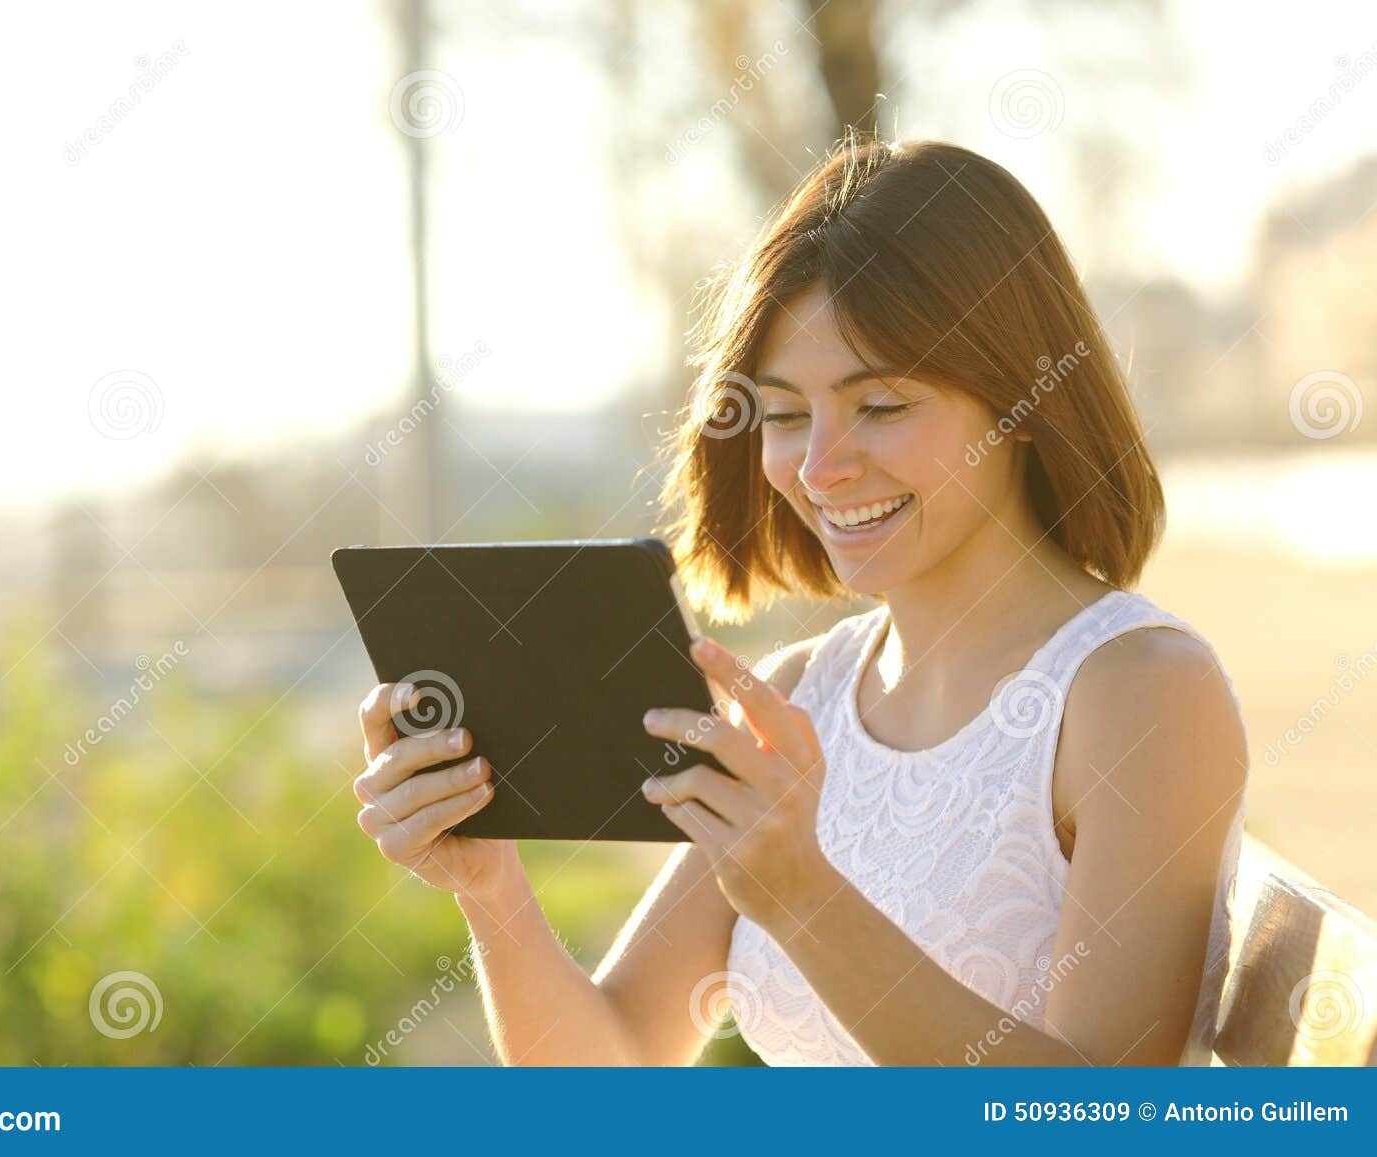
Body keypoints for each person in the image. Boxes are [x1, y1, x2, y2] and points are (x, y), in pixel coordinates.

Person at [352, 135, 1249, 1066]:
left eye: (883, 405)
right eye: (784, 415)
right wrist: (489, 882)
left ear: (1022, 402)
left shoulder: (1142, 693)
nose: (820, 466)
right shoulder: (801, 693)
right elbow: (611, 1065)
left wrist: (802, 898)